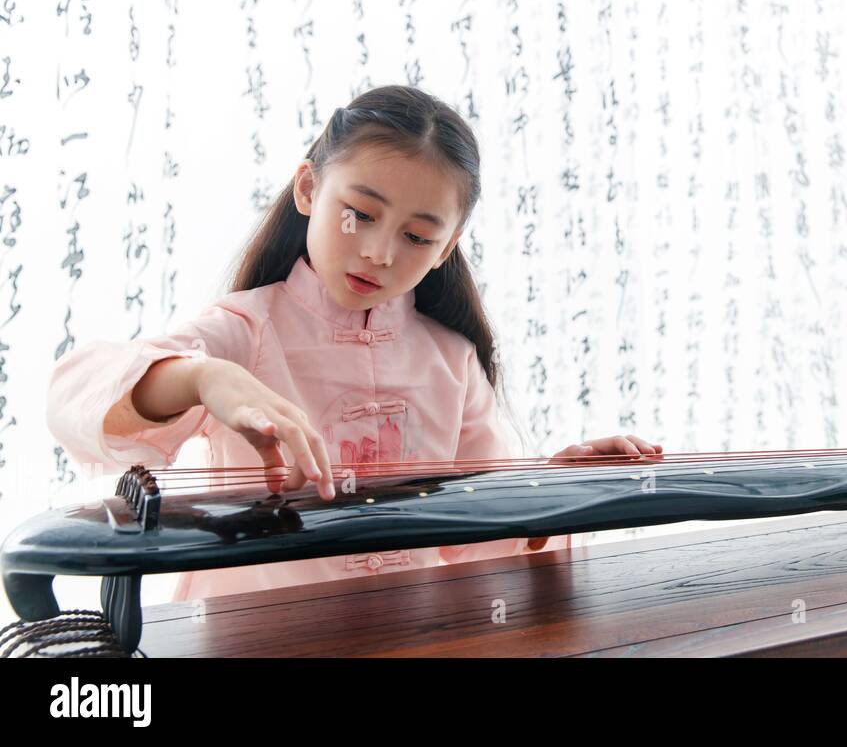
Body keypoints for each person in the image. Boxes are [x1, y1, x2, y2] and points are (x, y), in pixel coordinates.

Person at [46, 84, 663, 602]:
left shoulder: (451, 359)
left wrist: (555, 492)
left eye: (418, 237)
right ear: (309, 188)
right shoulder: (244, 330)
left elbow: (478, 539)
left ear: (447, 248)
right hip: (246, 640)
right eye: (361, 214)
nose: (380, 253)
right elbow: (77, 393)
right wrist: (206, 378)